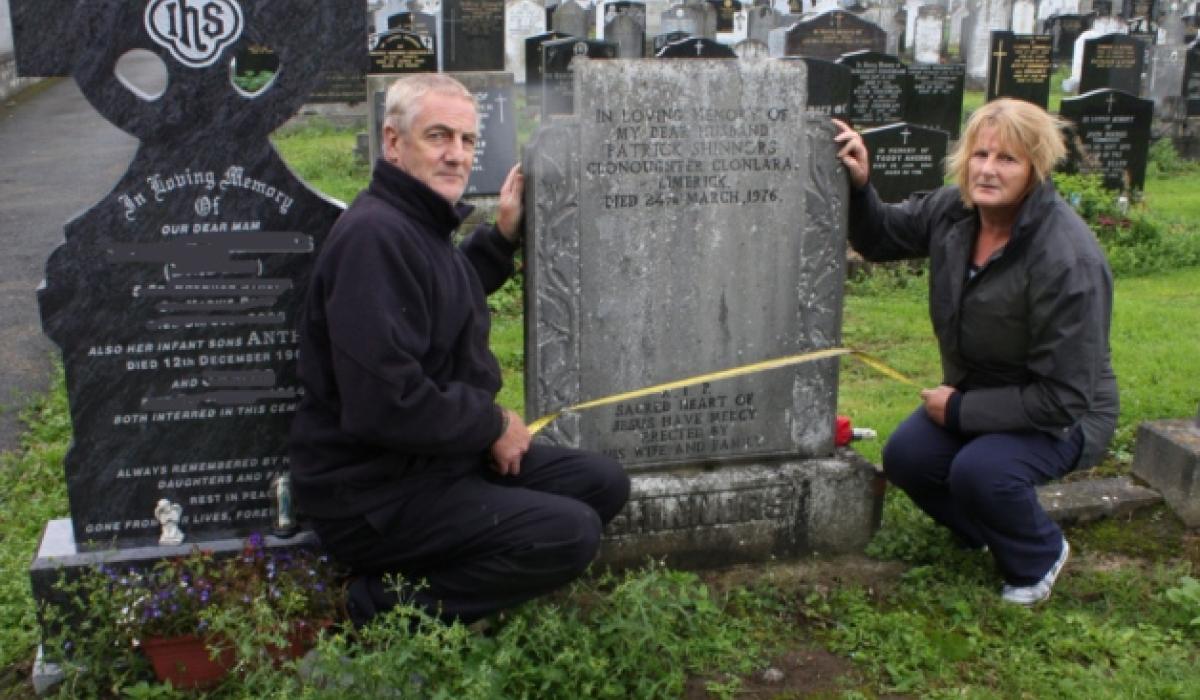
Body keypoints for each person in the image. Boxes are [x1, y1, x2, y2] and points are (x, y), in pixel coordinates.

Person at [289, 74, 630, 627]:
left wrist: (499, 239)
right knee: (568, 533)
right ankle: (374, 606)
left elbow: (436, 297)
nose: (457, 154)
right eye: (438, 136)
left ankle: (450, 571)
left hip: (432, 462)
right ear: (393, 141)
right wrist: (491, 424)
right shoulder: (373, 238)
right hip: (374, 495)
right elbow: (386, 402)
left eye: (468, 140)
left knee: (600, 483)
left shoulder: (413, 222)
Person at [832, 99, 1118, 605]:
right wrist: (860, 185)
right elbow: (881, 236)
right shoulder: (956, 211)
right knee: (908, 457)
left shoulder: (1066, 259)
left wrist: (961, 410)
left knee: (981, 470)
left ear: (1035, 168)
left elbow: (1064, 398)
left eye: (1007, 159)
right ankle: (985, 531)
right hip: (982, 390)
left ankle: (1039, 555)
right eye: (980, 154)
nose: (987, 170)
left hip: (1065, 415)